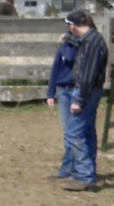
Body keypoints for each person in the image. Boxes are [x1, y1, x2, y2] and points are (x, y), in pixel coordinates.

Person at [56, 10, 109, 193]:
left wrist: (78, 99)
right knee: (86, 132)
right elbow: (79, 43)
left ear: (72, 26)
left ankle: (85, 176)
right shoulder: (92, 40)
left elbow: (88, 74)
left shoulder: (92, 44)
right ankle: (87, 173)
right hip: (90, 91)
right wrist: (68, 39)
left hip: (86, 91)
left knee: (74, 133)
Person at [45, 23, 80, 180]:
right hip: (64, 90)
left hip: (77, 90)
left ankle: (73, 169)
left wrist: (64, 45)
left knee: (74, 131)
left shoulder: (83, 45)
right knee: (68, 131)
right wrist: (51, 92)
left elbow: (71, 57)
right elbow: (56, 68)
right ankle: (68, 168)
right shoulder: (66, 45)